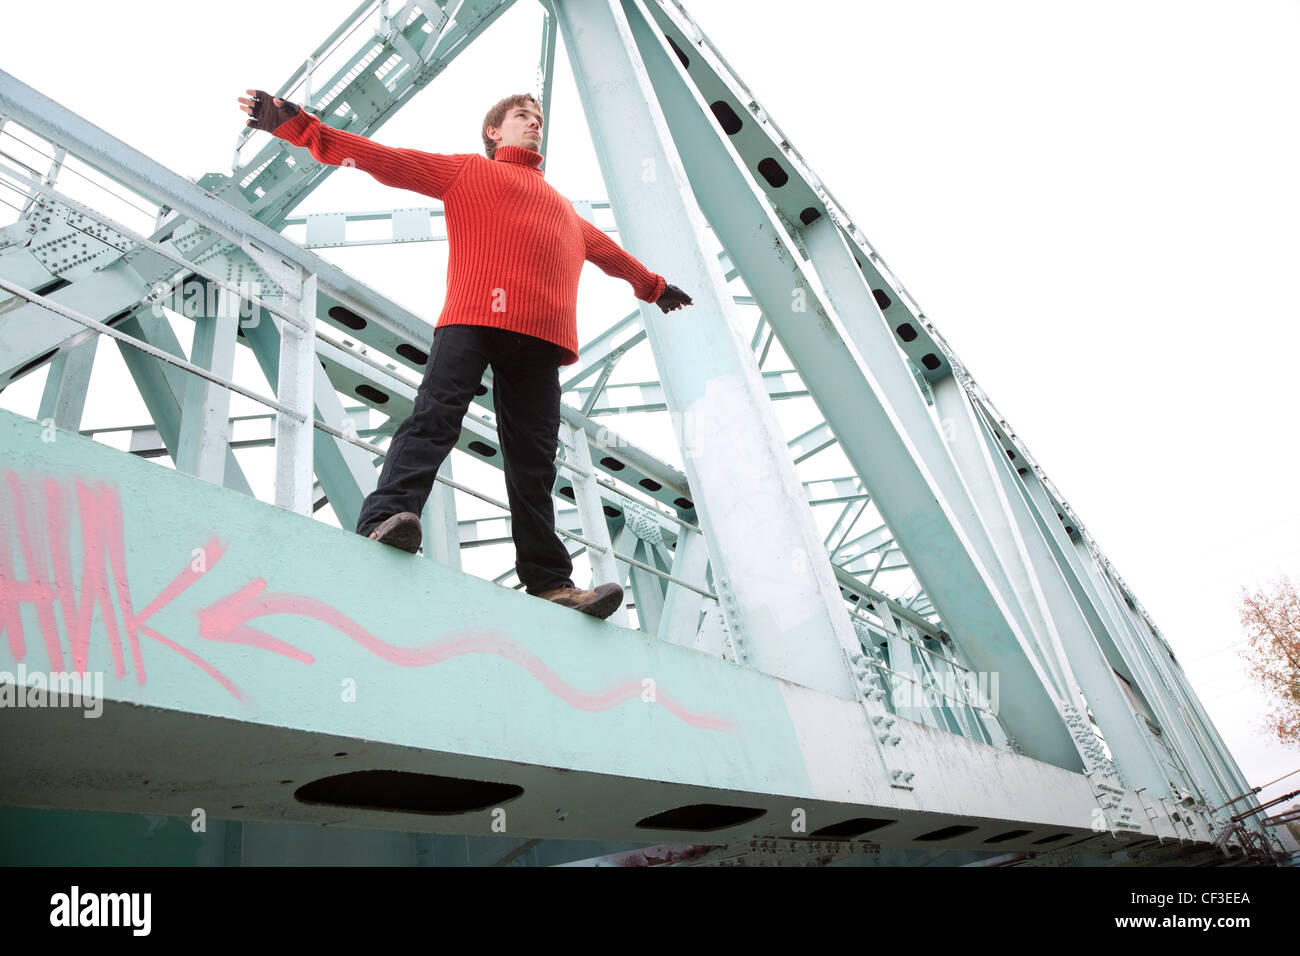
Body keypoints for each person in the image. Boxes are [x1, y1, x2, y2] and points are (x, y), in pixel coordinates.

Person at [237, 89, 692, 620]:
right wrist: (300, 128)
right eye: (523, 116)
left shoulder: (566, 212)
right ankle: (384, 521)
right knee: (434, 420)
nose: (535, 123)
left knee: (534, 464)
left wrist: (655, 288)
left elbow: (612, 256)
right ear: (494, 132)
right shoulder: (469, 172)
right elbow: (384, 160)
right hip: (473, 318)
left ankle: (550, 582)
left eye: (538, 118)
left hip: (542, 340)